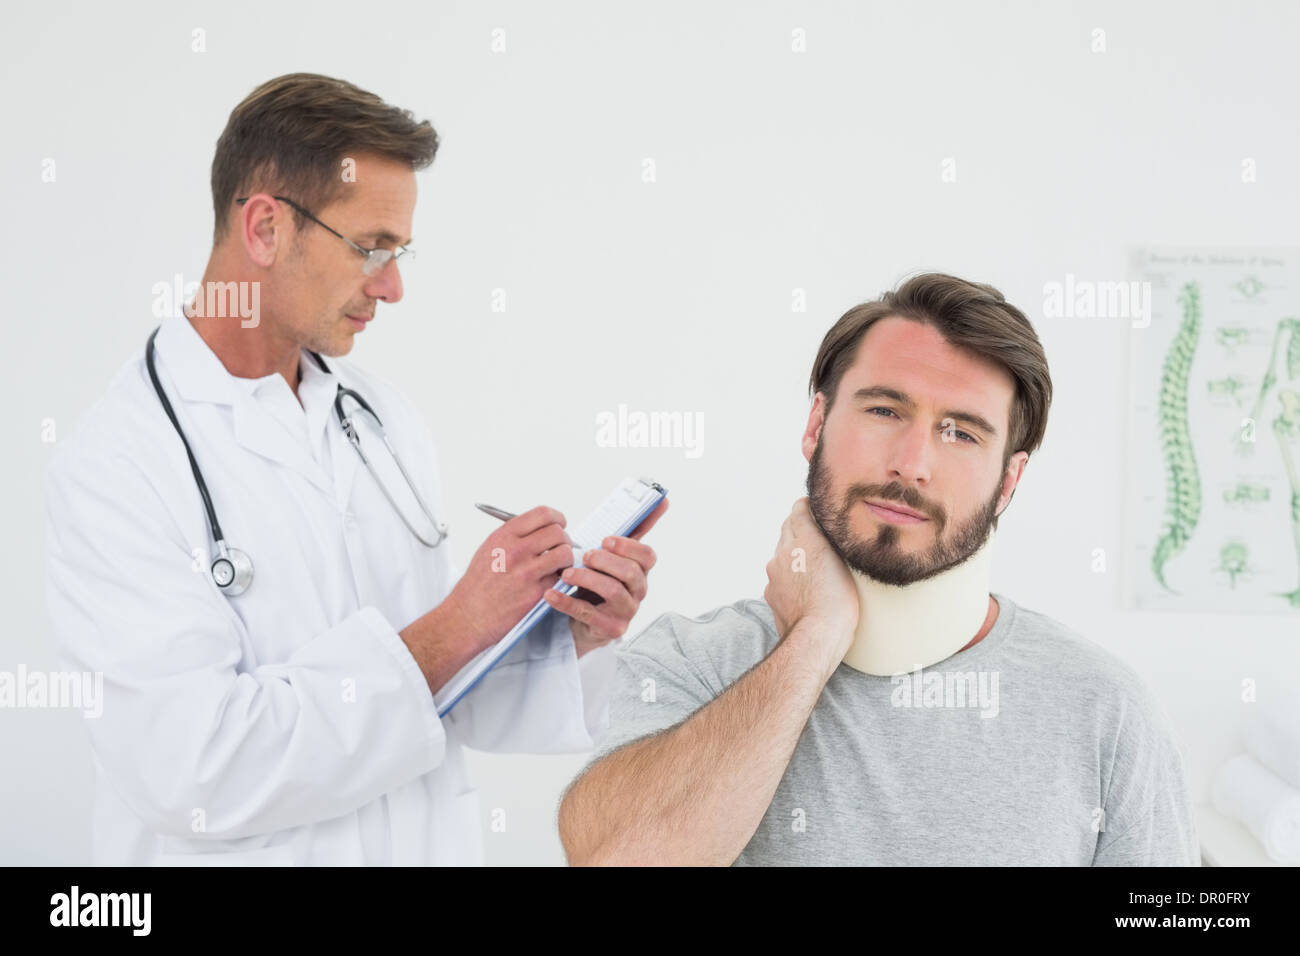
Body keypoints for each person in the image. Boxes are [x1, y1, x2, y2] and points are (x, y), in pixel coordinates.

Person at [43, 72, 665, 866]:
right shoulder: (116, 464)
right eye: (371, 248)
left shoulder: (380, 419)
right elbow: (190, 770)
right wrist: (456, 625)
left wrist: (560, 634)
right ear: (265, 228)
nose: (395, 286)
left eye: (400, 252)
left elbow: (434, 702)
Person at [557, 273, 1199, 866]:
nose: (912, 462)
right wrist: (814, 637)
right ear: (816, 424)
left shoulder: (1103, 709)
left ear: (1010, 480)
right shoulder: (691, 661)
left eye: (962, 433)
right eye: (885, 410)